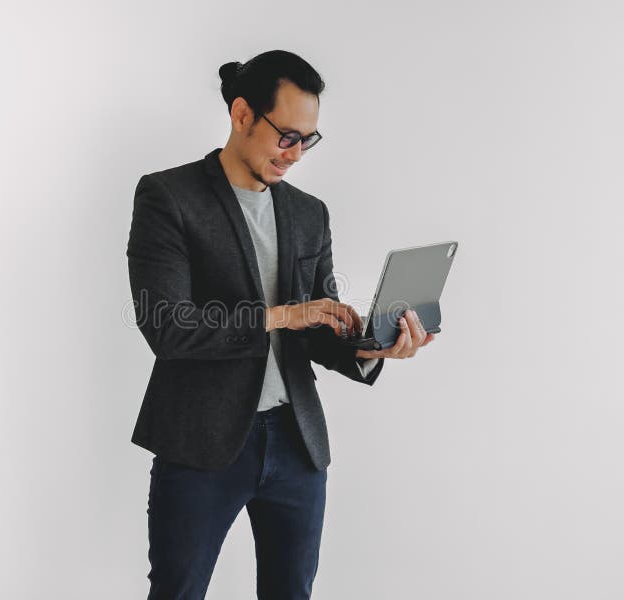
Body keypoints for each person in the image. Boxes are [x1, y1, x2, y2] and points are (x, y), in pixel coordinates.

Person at [126, 49, 434, 600]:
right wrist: (282, 314)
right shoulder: (168, 197)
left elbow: (317, 325)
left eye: (308, 140)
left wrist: (371, 349)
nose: (295, 154)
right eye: (286, 136)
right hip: (201, 443)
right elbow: (168, 328)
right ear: (241, 115)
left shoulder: (308, 213)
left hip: (296, 443)